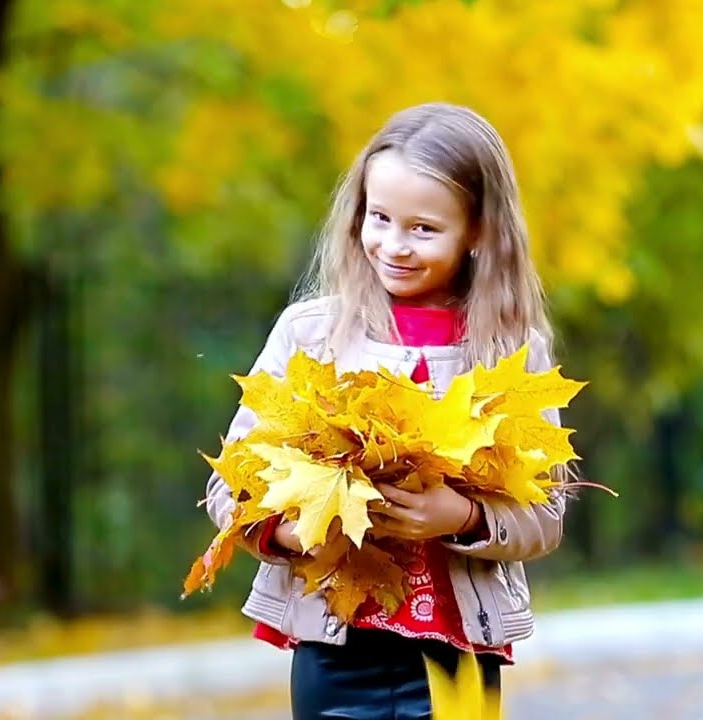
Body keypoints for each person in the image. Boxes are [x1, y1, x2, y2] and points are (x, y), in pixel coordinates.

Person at [203, 102, 569, 719]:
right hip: (336, 641)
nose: (394, 245)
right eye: (379, 218)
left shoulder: (509, 350)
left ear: (479, 230)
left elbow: (546, 515)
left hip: (457, 649)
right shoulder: (313, 335)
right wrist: (290, 532)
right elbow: (231, 485)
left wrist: (463, 517)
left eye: (424, 229)